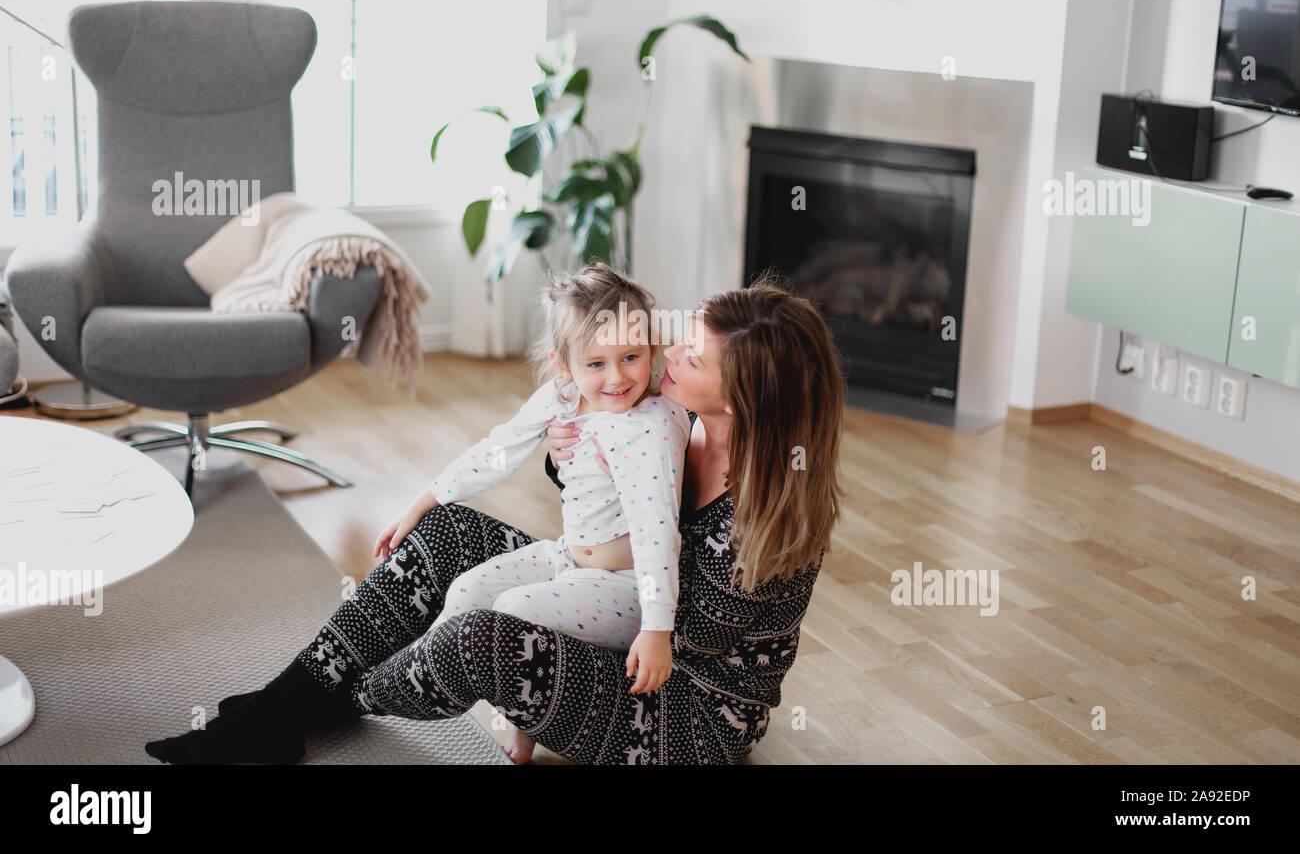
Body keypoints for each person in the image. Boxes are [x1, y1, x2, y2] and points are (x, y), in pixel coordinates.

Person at [144, 268, 844, 765]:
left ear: (745, 398)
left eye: (690, 356)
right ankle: (285, 703)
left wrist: (557, 594)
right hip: (608, 588)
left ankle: (301, 709)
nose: (665, 354)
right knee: (446, 532)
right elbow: (598, 487)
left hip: (681, 708)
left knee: (484, 636)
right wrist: (563, 453)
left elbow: (671, 629)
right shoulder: (673, 408)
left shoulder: (765, 517)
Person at [414, 264, 691, 761]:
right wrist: (427, 498)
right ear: (563, 364)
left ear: (652, 350)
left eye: (631, 357)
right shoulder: (564, 398)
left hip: (626, 586)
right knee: (466, 591)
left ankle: (522, 730)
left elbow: (657, 532)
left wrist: (656, 630)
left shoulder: (654, 424)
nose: (617, 377)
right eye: (596, 363)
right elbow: (498, 450)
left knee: (514, 611)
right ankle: (420, 691)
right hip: (566, 557)